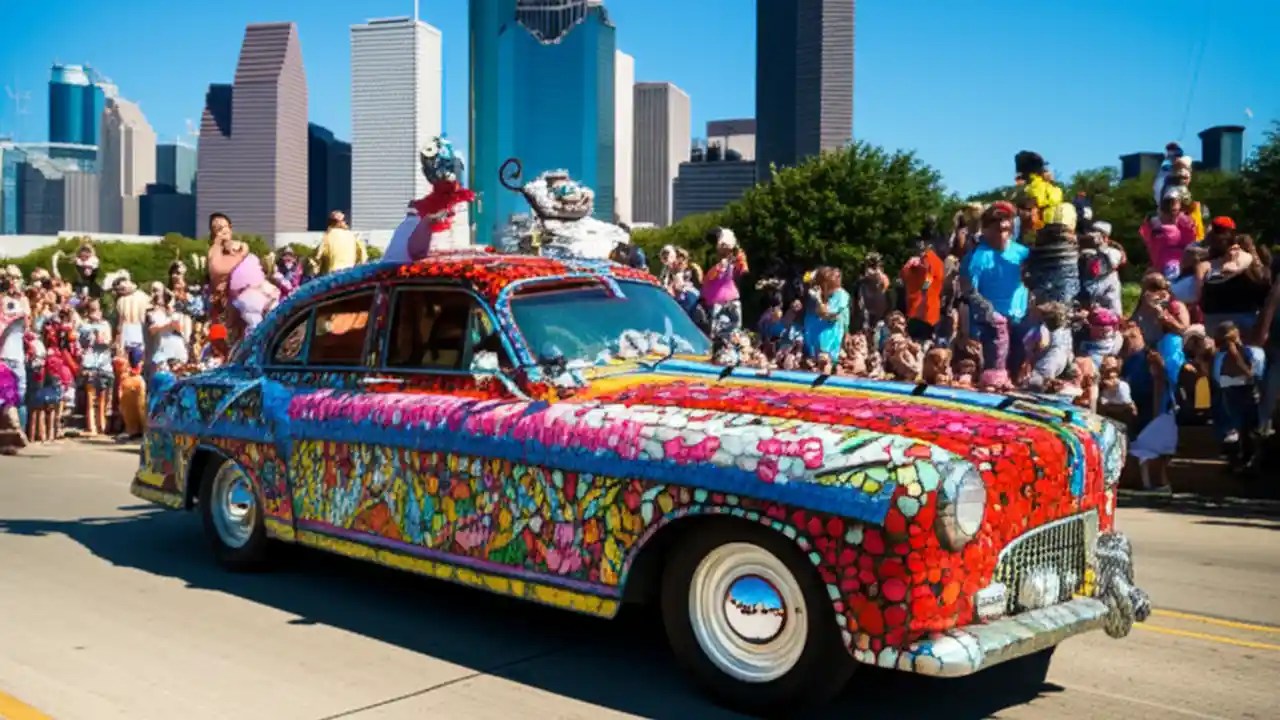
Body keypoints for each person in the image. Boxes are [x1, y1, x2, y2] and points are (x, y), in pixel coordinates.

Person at [962, 201, 1031, 385]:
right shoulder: (976, 257)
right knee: (993, 374)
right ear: (985, 229)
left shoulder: (1023, 253)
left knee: (1018, 371)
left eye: (1005, 223)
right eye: (996, 224)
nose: (1001, 228)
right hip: (989, 325)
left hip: (1020, 320)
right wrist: (975, 327)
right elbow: (968, 291)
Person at [1200, 218, 1270, 333]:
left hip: (1225, 318)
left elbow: (1262, 281)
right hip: (1234, 317)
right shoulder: (1205, 258)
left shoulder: (1205, 263)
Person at [700, 228, 749, 337]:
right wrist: (720, 266)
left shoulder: (736, 258)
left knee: (731, 334)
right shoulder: (712, 259)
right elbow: (708, 278)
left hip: (730, 301)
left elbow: (743, 270)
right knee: (718, 334)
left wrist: (735, 256)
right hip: (715, 303)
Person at [1140, 188, 1197, 279]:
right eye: (1168, 203)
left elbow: (1191, 241)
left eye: (1175, 202)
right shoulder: (1152, 223)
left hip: (1180, 264)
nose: (1171, 206)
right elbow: (1148, 241)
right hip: (1161, 264)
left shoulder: (1186, 221)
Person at [77, 299, 113, 436]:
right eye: (92, 310)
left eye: (97, 310)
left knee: (103, 396)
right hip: (90, 363)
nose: (95, 313)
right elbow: (81, 343)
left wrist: (101, 337)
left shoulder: (105, 325)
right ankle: (91, 426)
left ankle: (102, 425)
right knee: (91, 397)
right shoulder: (84, 326)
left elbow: (107, 341)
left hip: (104, 364)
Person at [900, 235, 945, 343]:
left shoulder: (931, 259)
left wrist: (924, 290)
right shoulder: (921, 261)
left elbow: (930, 278)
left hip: (925, 310)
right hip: (918, 310)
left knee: (921, 339)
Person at [802, 267, 851, 363]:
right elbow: (805, 278)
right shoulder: (816, 294)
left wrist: (819, 299)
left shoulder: (841, 295)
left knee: (825, 360)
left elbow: (827, 314)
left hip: (829, 339)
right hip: (814, 339)